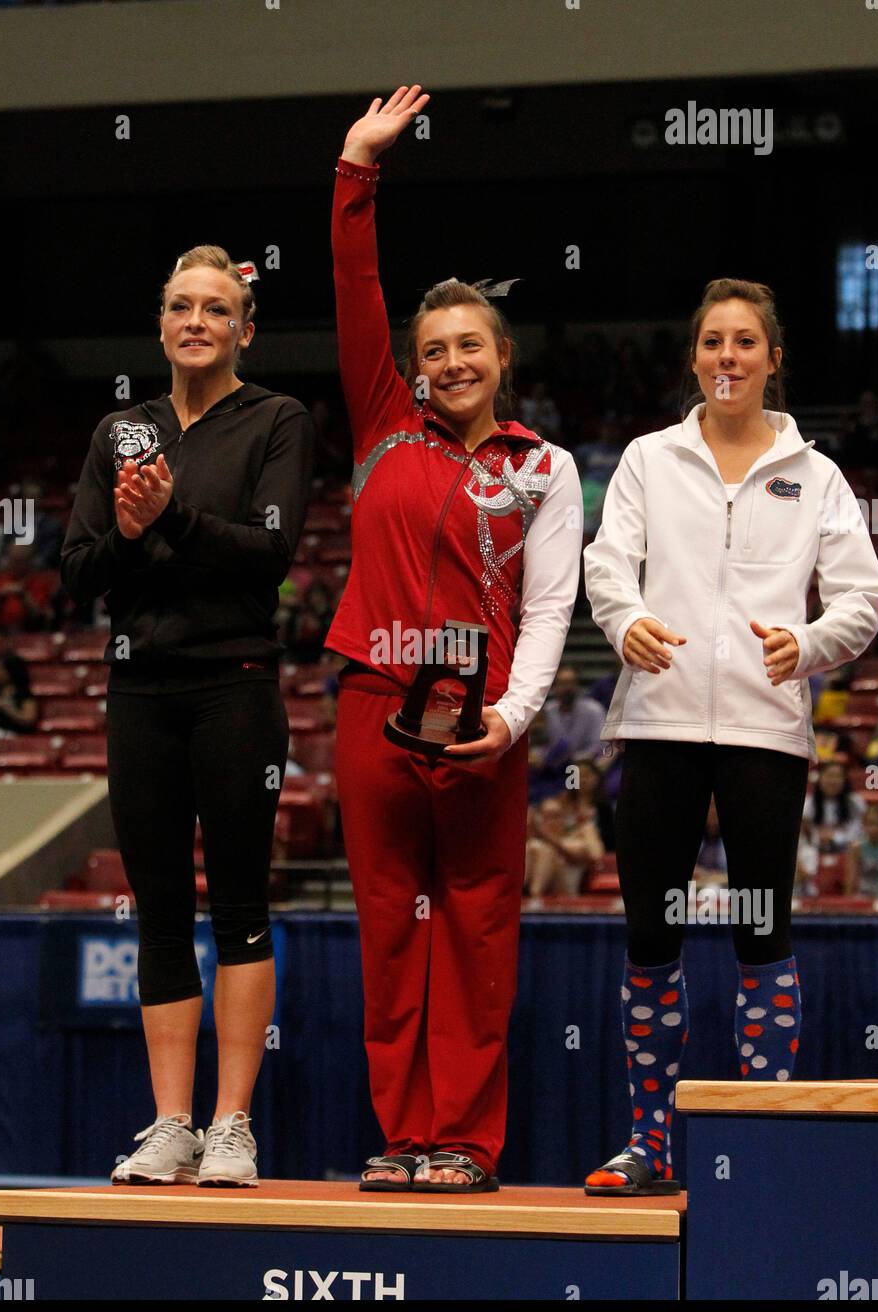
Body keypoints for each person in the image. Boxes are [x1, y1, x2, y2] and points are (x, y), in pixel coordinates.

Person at [326, 86, 583, 1192]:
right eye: (433, 348)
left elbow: (548, 611)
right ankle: (403, 1131)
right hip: (372, 704)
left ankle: (467, 1142)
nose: (449, 362)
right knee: (391, 926)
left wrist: (513, 719)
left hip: (482, 722)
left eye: (468, 344)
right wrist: (356, 172)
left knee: (476, 931)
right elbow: (354, 288)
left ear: (503, 355)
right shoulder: (384, 424)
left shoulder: (544, 467)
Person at [583, 277, 878, 1195]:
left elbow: (862, 597)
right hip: (661, 719)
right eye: (712, 341)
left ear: (772, 358)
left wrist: (805, 642)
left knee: (761, 932)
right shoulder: (647, 459)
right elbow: (606, 563)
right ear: (693, 357)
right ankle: (651, 1144)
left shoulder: (814, 474)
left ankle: (760, 1143)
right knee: (650, 936)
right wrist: (624, 617)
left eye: (744, 342)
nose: (727, 357)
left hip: (763, 728)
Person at [61, 246, 314, 1186]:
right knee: (161, 912)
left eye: (216, 308)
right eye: (180, 306)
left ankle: (233, 1124)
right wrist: (128, 531)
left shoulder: (277, 419)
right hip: (140, 692)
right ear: (161, 325)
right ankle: (171, 1122)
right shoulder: (120, 431)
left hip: (235, 686)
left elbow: (270, 553)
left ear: (244, 328)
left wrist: (166, 519)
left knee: (239, 903)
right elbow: (77, 572)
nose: (196, 321)